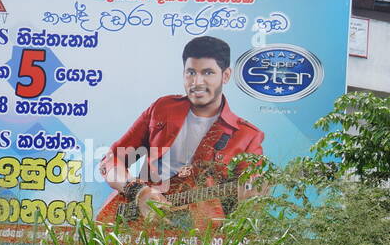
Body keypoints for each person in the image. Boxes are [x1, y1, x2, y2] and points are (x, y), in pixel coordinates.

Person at [97, 35, 265, 232]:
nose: (197, 82)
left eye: (208, 73)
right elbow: (112, 159)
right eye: (191, 72)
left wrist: (250, 198)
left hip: (201, 235)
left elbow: (250, 195)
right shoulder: (161, 108)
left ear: (226, 75)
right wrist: (138, 191)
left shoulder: (247, 135)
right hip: (138, 223)